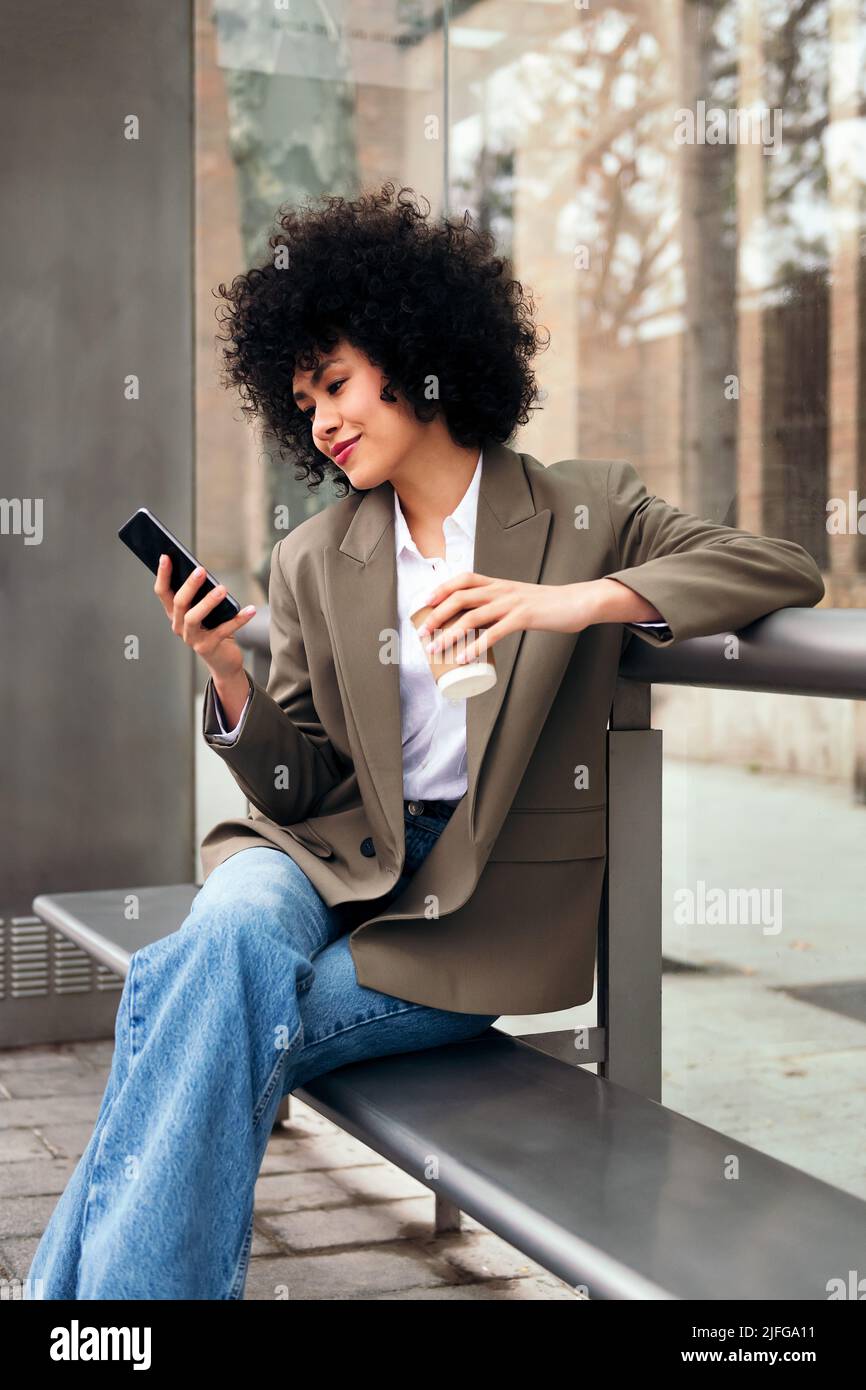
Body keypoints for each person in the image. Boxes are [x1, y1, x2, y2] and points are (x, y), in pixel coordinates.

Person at [26, 183, 824, 1300]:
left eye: (337, 385)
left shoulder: (586, 507)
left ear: (419, 356)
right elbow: (300, 785)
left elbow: (781, 569)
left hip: (476, 907)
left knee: (192, 1014)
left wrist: (572, 602)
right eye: (302, 401)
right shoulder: (315, 556)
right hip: (316, 858)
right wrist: (223, 675)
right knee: (222, 957)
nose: (321, 422)